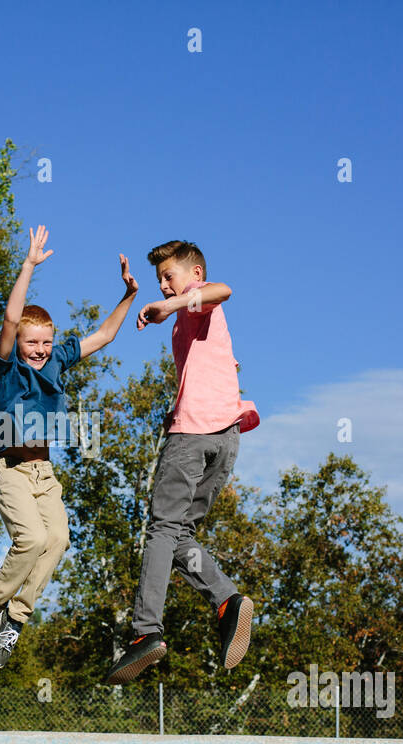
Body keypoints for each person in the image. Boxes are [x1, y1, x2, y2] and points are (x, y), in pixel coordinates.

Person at [0, 225, 138, 668]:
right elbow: (9, 320)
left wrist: (128, 296)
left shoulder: (59, 359)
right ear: (19, 344)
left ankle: (15, 618)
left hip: (44, 474)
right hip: (10, 469)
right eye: (33, 343)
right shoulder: (6, 367)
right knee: (31, 540)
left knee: (58, 539)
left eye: (46, 342)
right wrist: (28, 266)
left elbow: (103, 337)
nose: (41, 349)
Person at [105, 240, 260, 685]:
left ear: (195, 274)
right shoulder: (193, 322)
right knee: (178, 536)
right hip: (226, 440)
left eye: (169, 276)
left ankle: (144, 632)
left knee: (160, 529)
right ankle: (228, 601)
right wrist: (154, 303)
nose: (164, 284)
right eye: (160, 280)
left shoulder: (199, 302)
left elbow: (224, 290)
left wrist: (170, 303)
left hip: (193, 435)